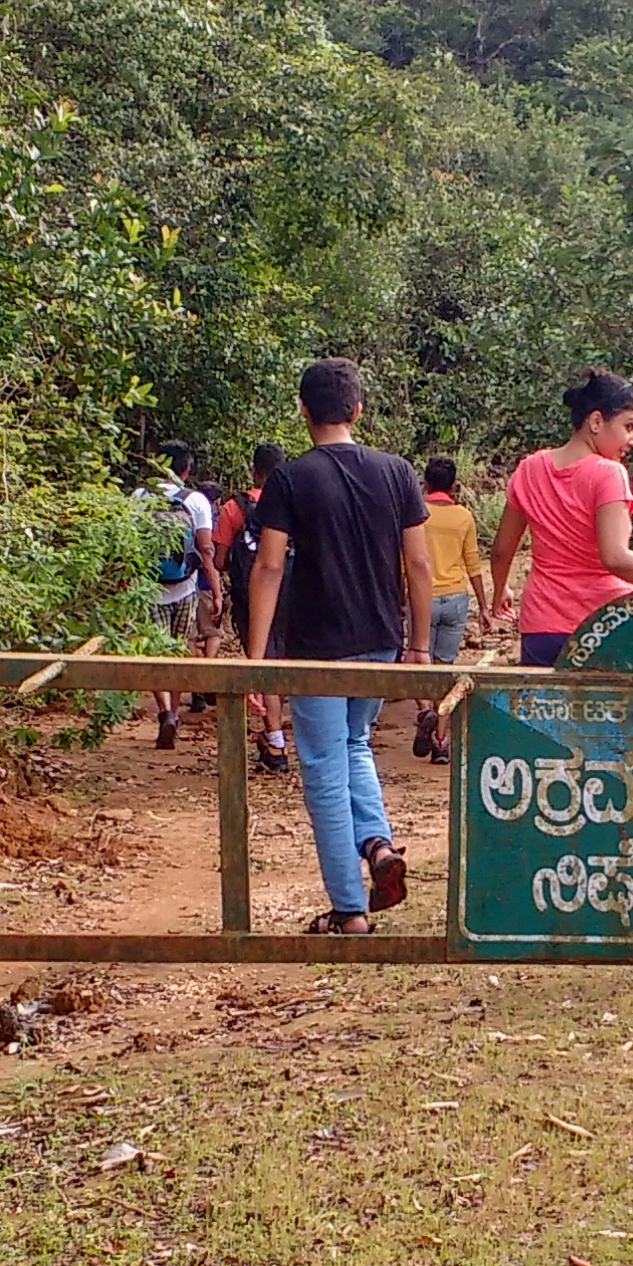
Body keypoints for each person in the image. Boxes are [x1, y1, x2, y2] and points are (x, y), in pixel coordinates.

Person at [243, 358, 434, 934]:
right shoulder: (398, 472)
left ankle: (350, 910)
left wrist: (256, 662)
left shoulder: (290, 479)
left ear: (303, 411)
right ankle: (377, 845)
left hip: (317, 647)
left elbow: (270, 567)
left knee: (325, 768)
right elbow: (419, 564)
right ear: (357, 410)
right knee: (354, 745)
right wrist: (420, 648)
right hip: (380, 639)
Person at [490, 368, 633, 665]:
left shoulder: (529, 468)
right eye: (629, 426)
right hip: (604, 624)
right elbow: (615, 557)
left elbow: (501, 550)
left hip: (542, 626)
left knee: (544, 710)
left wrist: (500, 589)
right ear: (595, 421)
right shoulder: (608, 474)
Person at [213, 442, 291, 773]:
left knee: (265, 662)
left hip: (250, 601)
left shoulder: (234, 508)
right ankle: (281, 732)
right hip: (293, 596)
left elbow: (218, 559)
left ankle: (276, 742)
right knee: (289, 662)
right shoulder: (295, 502)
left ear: (254, 471)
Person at [409, 454, 491, 760]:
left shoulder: (417, 514)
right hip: (456, 598)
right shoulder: (464, 517)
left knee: (418, 661)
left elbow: (407, 561)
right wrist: (483, 606)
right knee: (445, 668)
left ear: (425, 484)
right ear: (454, 486)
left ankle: (424, 712)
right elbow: (473, 563)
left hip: (423, 597)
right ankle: (441, 743)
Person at [142, 444, 216, 750]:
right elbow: (207, 550)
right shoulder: (195, 500)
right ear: (186, 470)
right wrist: (216, 589)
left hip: (149, 588)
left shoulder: (141, 498)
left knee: (155, 652)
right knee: (179, 649)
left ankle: (166, 712)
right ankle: (174, 709)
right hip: (185, 587)